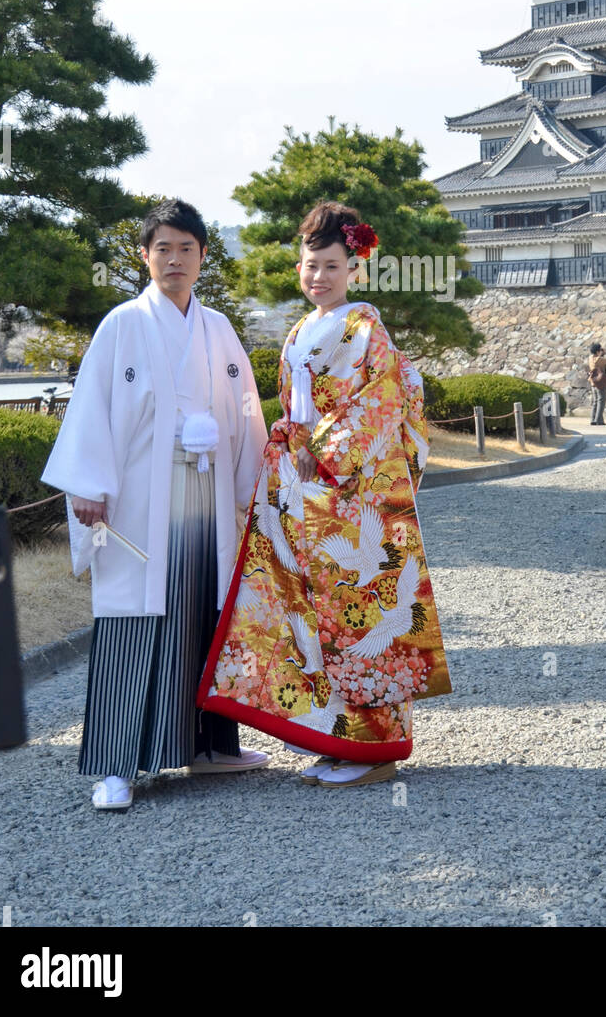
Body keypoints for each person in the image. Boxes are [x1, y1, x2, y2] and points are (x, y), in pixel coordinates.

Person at [198, 200, 452, 789]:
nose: (320, 276)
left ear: (354, 269)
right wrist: (295, 453)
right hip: (303, 483)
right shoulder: (300, 328)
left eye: (332, 266)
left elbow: (387, 397)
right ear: (299, 267)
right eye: (311, 264)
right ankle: (340, 737)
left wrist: (322, 447)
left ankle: (379, 747)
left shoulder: (366, 328)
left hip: (352, 488)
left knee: (362, 610)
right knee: (315, 613)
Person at [41, 199, 269, 810]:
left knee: (204, 608)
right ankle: (116, 766)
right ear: (145, 256)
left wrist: (254, 481)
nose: (174, 259)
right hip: (142, 495)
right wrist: (88, 483)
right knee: (134, 618)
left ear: (202, 255)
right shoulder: (122, 324)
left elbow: (247, 408)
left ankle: (210, 748)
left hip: (209, 489)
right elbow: (91, 406)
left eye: (186, 248)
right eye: (162, 248)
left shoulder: (217, 328)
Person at [588, 342, 606, 425]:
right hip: (600, 382)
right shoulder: (599, 359)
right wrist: (605, 353)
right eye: (600, 349)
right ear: (597, 351)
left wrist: (600, 353)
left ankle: (593, 419)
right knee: (601, 401)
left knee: (595, 402)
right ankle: (597, 420)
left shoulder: (590, 357)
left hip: (593, 381)